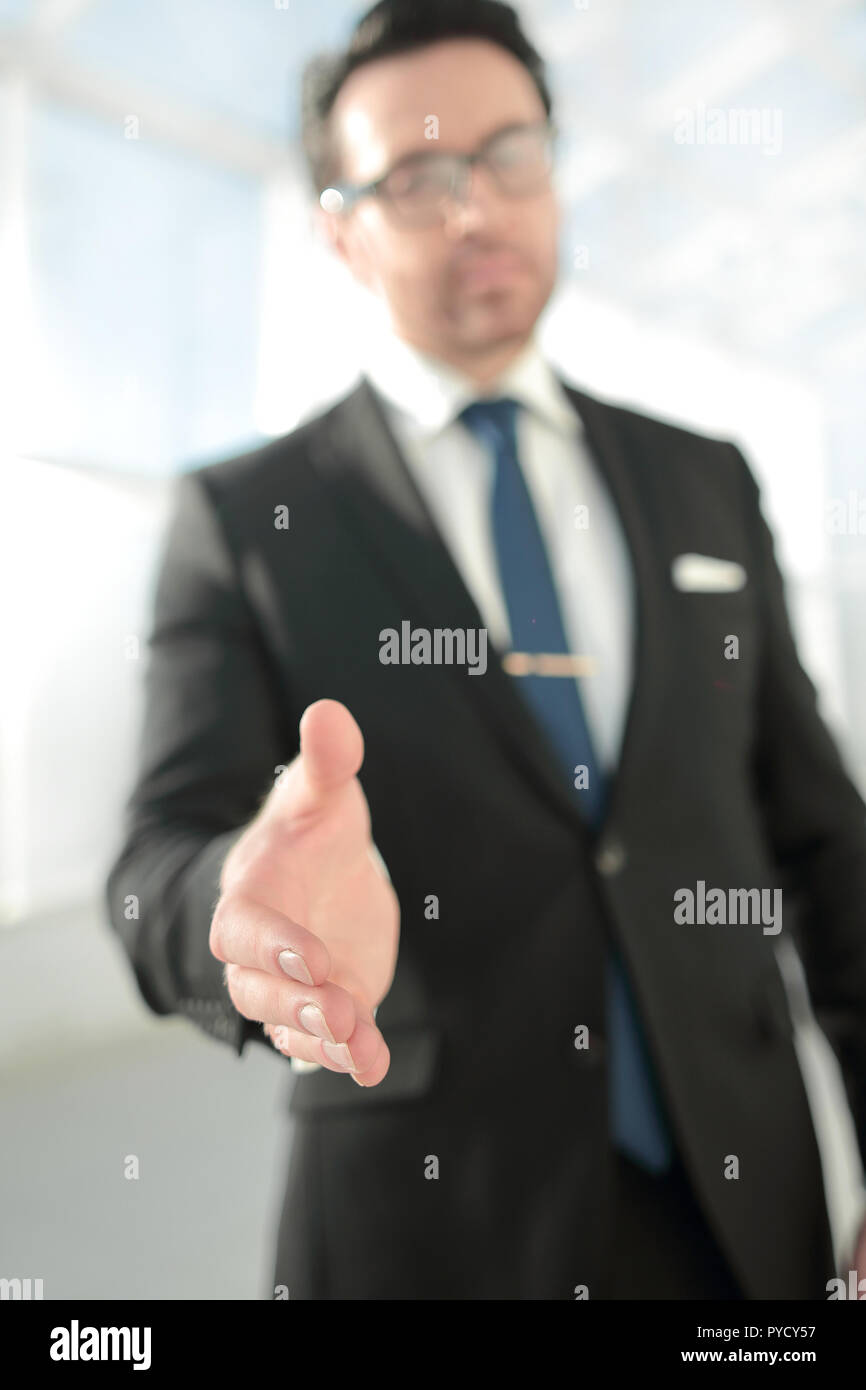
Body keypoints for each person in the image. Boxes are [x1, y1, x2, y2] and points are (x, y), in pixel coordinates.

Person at [105, 0, 866, 1300]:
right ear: (341, 231)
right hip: (431, 1221)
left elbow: (819, 840)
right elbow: (155, 862)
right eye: (415, 179)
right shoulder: (246, 520)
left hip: (740, 1193)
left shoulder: (702, 480)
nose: (474, 210)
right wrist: (243, 900)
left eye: (508, 153)